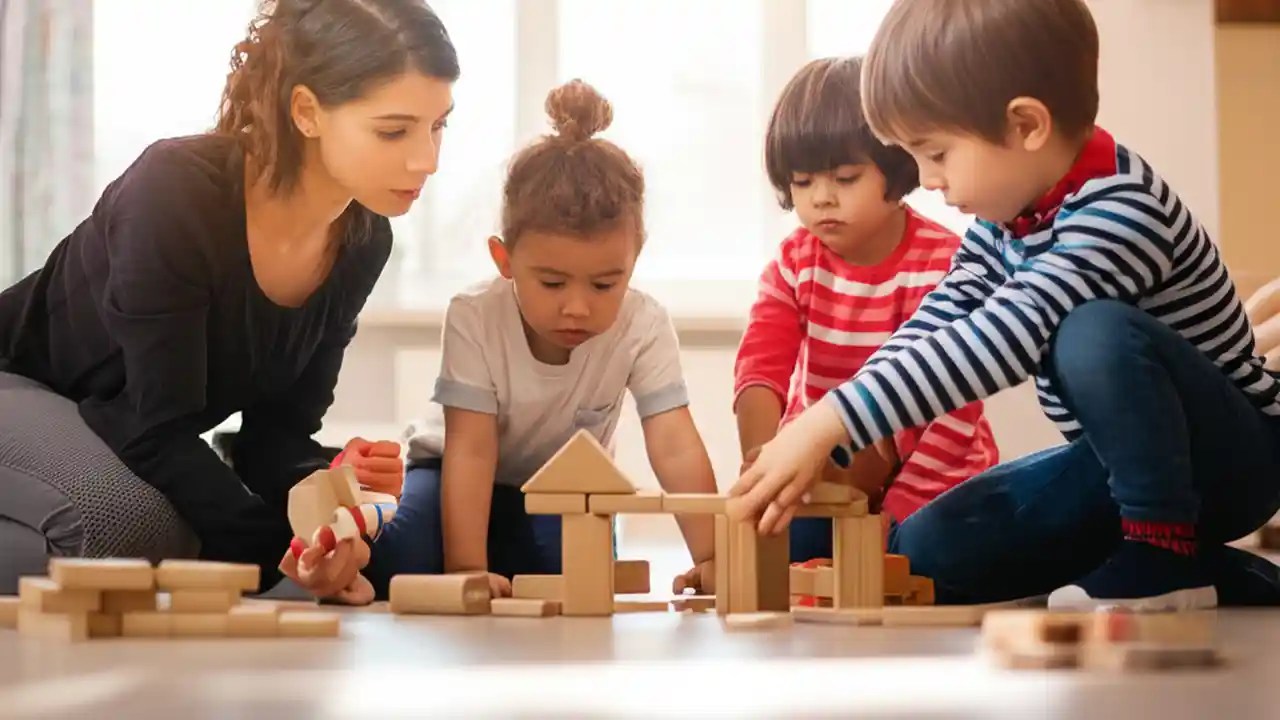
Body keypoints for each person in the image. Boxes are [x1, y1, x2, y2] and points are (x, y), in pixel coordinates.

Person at [729, 0, 1280, 610]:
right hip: (1112, 468)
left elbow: (1006, 334)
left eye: (936, 154)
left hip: (1234, 462)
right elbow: (938, 322)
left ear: (1025, 126)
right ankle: (1202, 567)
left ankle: (1165, 553)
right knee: (924, 551)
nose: (927, 179)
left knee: (1089, 330)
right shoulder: (1007, 221)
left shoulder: (1122, 211)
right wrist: (829, 430)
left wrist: (832, 419)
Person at [0, 0, 458, 603]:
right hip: (24, 385)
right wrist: (281, 558)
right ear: (307, 111)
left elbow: (278, 438)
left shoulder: (364, 240)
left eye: (439, 125)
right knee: (126, 523)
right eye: (393, 130)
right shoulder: (175, 190)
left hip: (121, 423)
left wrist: (328, 496)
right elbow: (150, 426)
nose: (426, 159)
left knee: (341, 532)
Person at [369, 80, 718, 599]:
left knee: (576, 579)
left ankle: (505, 555)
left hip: (561, 494)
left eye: (605, 283)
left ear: (633, 262)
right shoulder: (474, 316)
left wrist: (713, 557)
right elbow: (472, 449)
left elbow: (674, 443)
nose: (576, 306)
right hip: (453, 474)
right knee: (400, 561)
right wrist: (466, 571)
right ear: (504, 260)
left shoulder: (643, 325)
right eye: (552, 283)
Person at [734, 56, 998, 565]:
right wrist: (765, 470)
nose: (822, 200)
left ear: (897, 167)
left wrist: (895, 519)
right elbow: (760, 369)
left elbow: (951, 411)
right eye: (803, 182)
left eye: (845, 178)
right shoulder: (794, 263)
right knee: (778, 552)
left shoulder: (946, 264)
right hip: (825, 473)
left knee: (936, 552)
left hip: (936, 474)